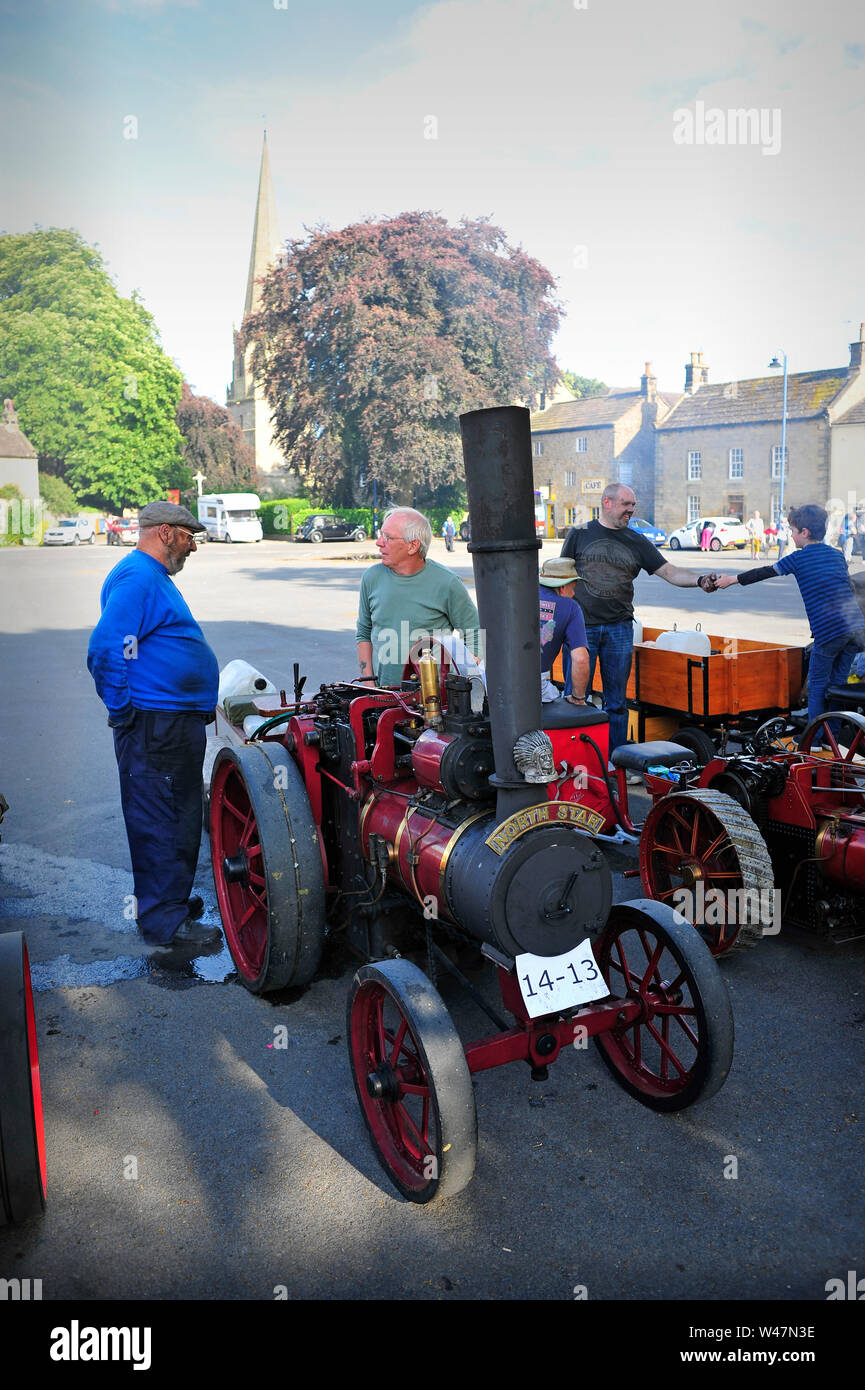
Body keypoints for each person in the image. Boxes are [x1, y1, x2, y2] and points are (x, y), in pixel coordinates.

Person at [87, 502, 221, 949]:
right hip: (153, 724)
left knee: (181, 814)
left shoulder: (149, 577)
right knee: (159, 819)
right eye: (188, 536)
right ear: (165, 532)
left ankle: (172, 902)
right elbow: (107, 648)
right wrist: (123, 711)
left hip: (169, 722)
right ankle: (164, 923)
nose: (193, 547)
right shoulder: (139, 577)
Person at [560, 484, 720, 752]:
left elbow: (669, 571)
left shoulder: (635, 541)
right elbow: (561, 576)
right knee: (576, 700)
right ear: (607, 502)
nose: (631, 510)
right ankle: (574, 759)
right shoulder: (579, 534)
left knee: (617, 703)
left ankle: (616, 762)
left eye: (633, 505)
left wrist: (700, 580)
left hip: (619, 629)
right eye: (626, 504)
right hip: (581, 628)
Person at [716, 504, 865, 727]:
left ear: (804, 533)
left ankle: (814, 739)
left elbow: (763, 572)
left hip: (829, 631)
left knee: (817, 685)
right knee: (838, 684)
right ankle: (831, 736)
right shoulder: (837, 555)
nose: (791, 535)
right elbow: (847, 587)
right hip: (855, 628)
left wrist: (731, 580)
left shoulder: (797, 558)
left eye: (793, 531)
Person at [357, 508, 481, 687]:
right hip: (382, 697)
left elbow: (474, 633)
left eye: (388, 537)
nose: (378, 542)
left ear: (413, 546)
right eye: (381, 535)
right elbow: (363, 631)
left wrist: (464, 678)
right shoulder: (371, 577)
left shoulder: (447, 582)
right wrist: (369, 685)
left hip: (433, 702)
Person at [538, 558, 589, 705]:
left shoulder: (517, 593)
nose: (573, 594)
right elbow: (581, 659)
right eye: (572, 588)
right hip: (533, 685)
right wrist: (578, 698)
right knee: (554, 696)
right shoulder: (571, 607)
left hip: (492, 678)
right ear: (562, 587)